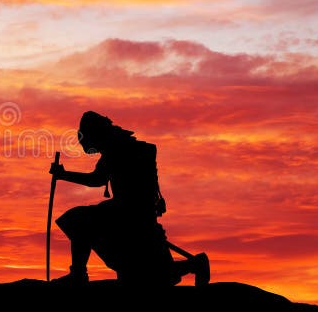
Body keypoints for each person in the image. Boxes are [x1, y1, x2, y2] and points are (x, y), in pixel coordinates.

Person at [50, 110, 206, 286]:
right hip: (137, 212)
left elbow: (97, 179)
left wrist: (63, 175)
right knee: (144, 274)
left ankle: (78, 274)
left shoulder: (116, 149)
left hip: (128, 213)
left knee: (78, 219)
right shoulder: (123, 145)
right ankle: (196, 264)